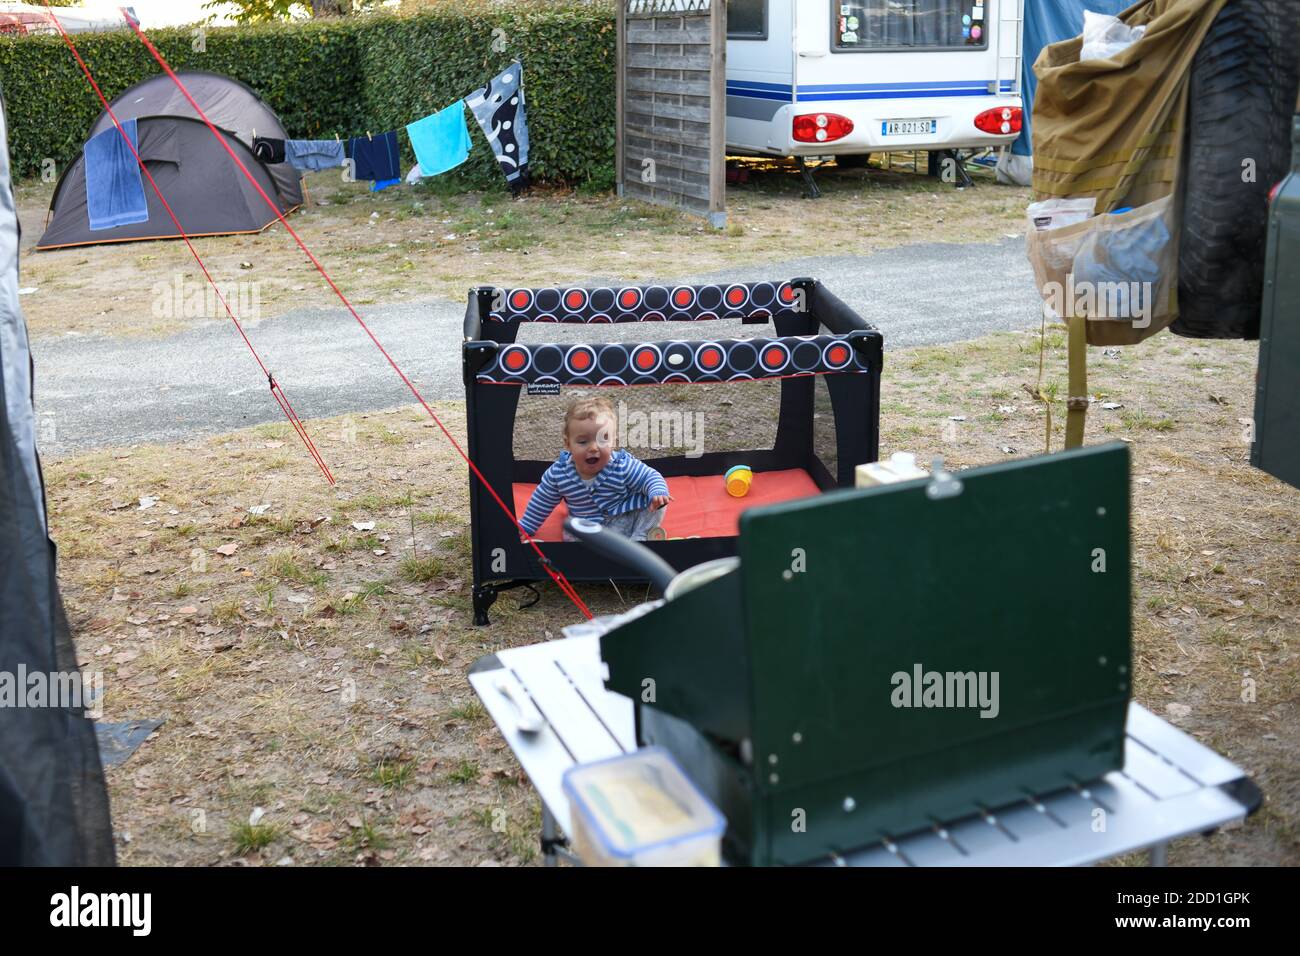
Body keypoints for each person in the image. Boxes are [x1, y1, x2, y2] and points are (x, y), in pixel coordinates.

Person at [519, 396, 672, 542]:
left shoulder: (621, 466)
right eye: (583, 441)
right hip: (586, 524)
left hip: (623, 518)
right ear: (568, 444)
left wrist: (657, 492)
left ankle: (641, 536)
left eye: (602, 439)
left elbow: (649, 476)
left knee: (656, 502)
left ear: (613, 442)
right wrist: (526, 526)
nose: (593, 448)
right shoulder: (559, 473)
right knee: (572, 533)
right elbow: (542, 500)